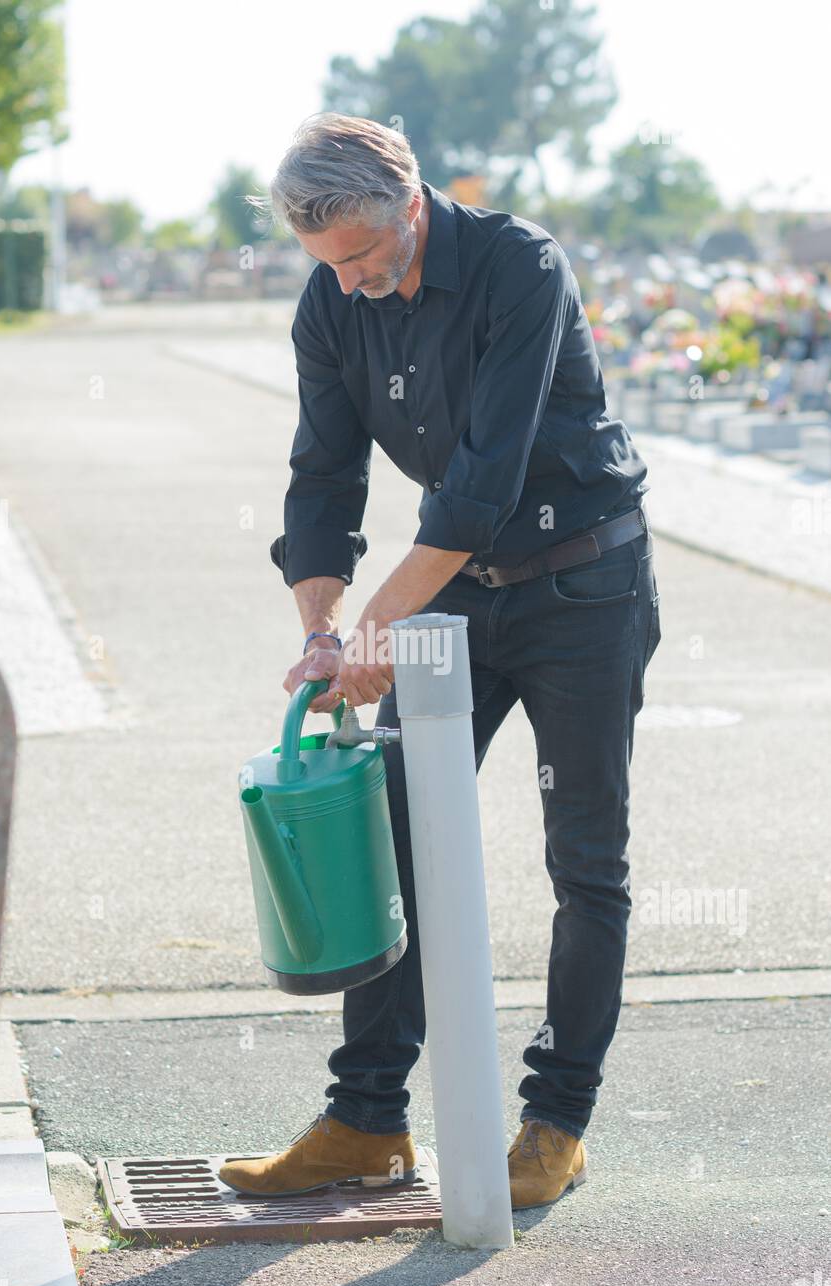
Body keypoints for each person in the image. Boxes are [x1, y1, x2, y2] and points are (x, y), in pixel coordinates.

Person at [219, 113, 661, 1210]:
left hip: (582, 583)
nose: (354, 283)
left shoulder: (522, 267)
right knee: (395, 834)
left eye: (366, 255)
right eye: (332, 265)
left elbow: (478, 490)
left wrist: (376, 631)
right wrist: (324, 630)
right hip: (456, 586)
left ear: (410, 203)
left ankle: (556, 1121)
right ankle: (367, 1119)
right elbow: (322, 481)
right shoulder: (331, 301)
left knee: (583, 857)